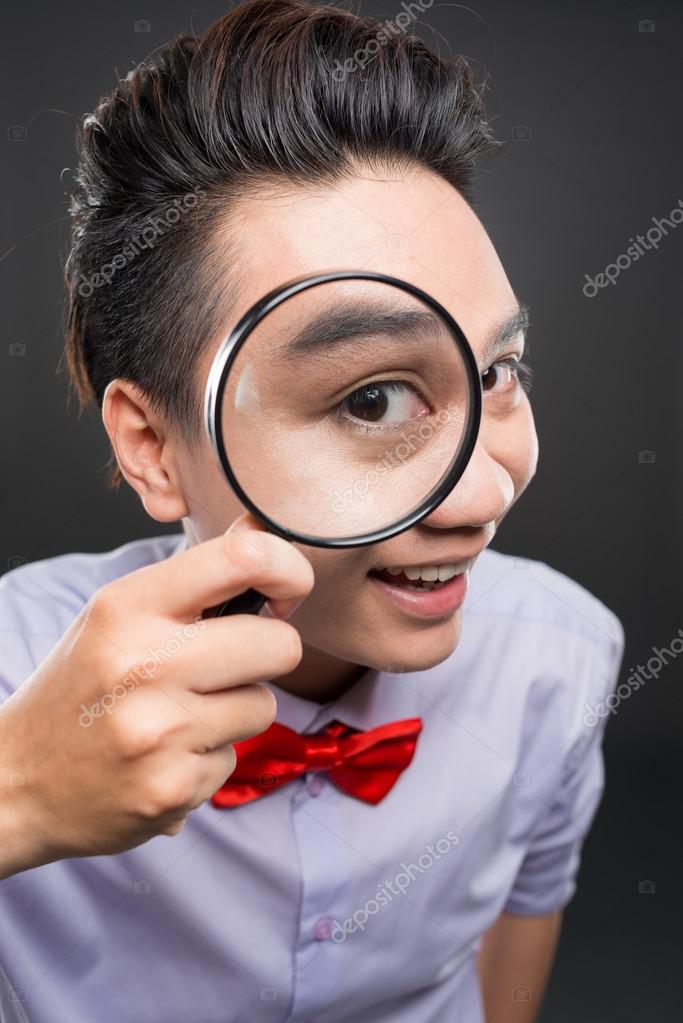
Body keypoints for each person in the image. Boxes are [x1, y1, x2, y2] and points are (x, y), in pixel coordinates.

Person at [0, 2, 624, 1021]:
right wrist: (14, 796)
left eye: (497, 371)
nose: (484, 494)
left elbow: (520, 920)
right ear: (152, 447)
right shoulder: (9, 673)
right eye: (370, 399)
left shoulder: (559, 656)